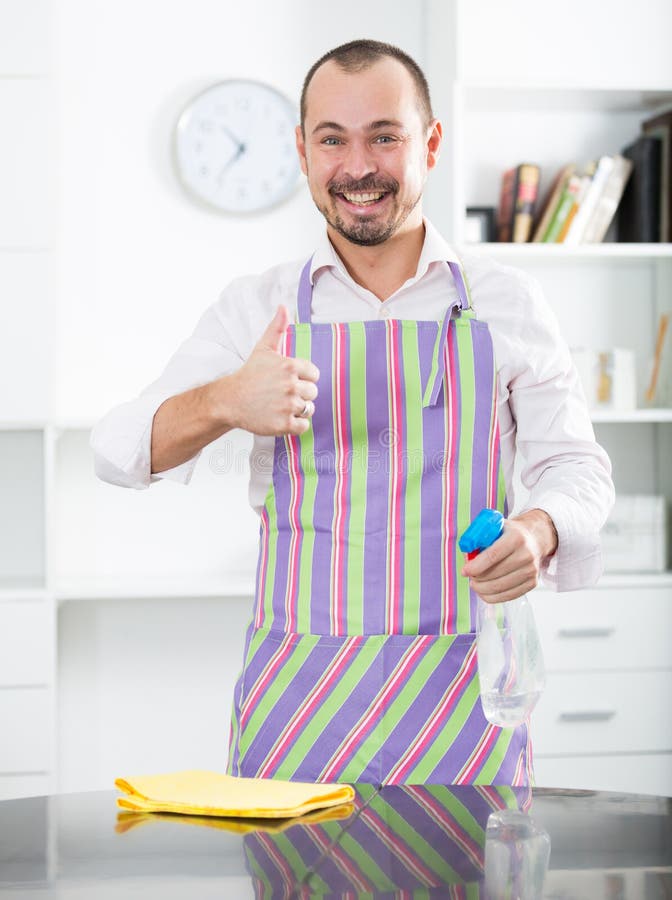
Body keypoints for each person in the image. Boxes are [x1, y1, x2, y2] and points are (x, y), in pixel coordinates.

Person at [91, 39, 614, 786]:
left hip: (467, 697)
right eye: (332, 139)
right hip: (301, 702)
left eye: (385, 136)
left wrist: (541, 528)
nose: (358, 166)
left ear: (429, 144)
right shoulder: (256, 307)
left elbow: (578, 469)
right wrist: (226, 401)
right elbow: (115, 450)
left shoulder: (507, 301)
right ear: (302, 152)